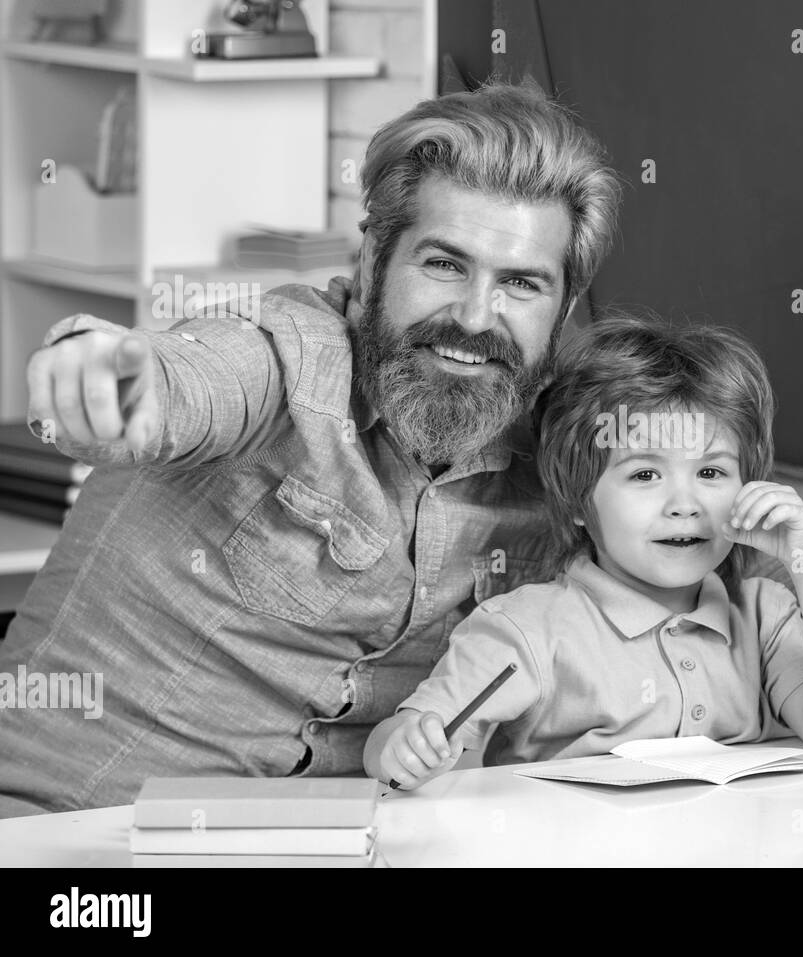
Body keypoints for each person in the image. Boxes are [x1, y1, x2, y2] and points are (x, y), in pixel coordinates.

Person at [0, 81, 622, 816]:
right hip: (74, 829)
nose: (475, 317)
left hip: (333, 844)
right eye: (444, 265)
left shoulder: (558, 453)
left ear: (563, 309)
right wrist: (100, 373)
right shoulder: (281, 360)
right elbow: (187, 380)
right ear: (371, 262)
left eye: (520, 283)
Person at [364, 316, 803, 788]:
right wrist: (404, 747)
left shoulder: (765, 616)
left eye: (711, 473)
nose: (685, 504)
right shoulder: (526, 629)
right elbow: (400, 737)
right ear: (576, 502)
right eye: (644, 474)